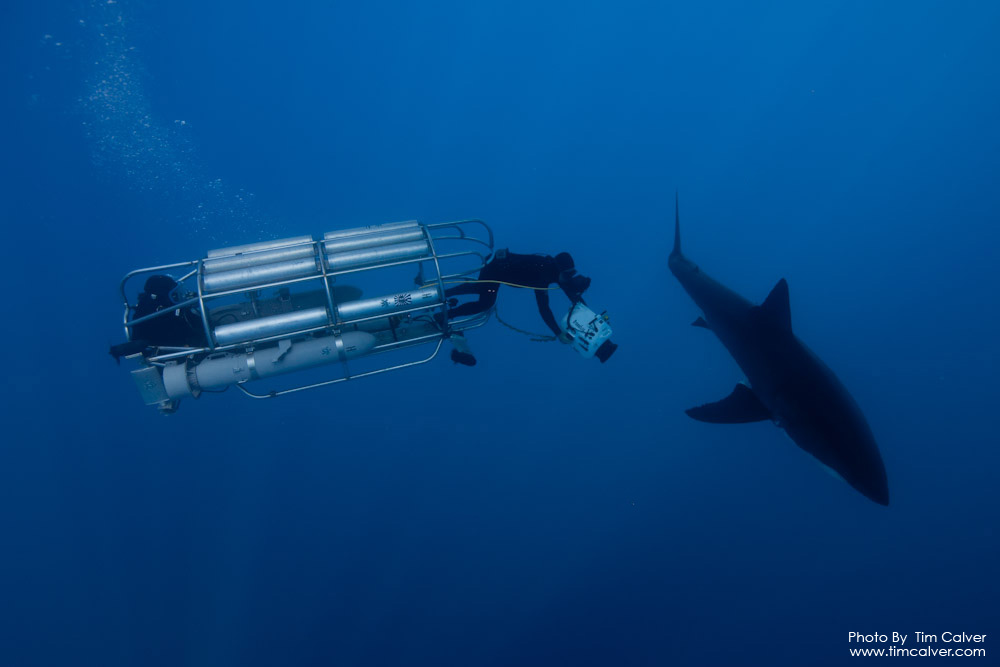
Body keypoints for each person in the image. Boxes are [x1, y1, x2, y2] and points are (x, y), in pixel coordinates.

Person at [445, 249, 617, 364]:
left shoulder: (556, 274)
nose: (568, 277)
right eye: (567, 274)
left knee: (484, 299)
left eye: (571, 274)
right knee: (483, 296)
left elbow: (574, 298)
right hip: (496, 268)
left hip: (500, 268)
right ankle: (445, 296)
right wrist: (558, 333)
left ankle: (448, 310)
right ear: (559, 269)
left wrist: (591, 318)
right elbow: (544, 308)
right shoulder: (542, 274)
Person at [109, 275, 206, 363]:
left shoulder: (165, 309)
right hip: (184, 354)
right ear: (163, 297)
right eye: (174, 294)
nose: (178, 296)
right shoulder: (153, 315)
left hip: (195, 342)